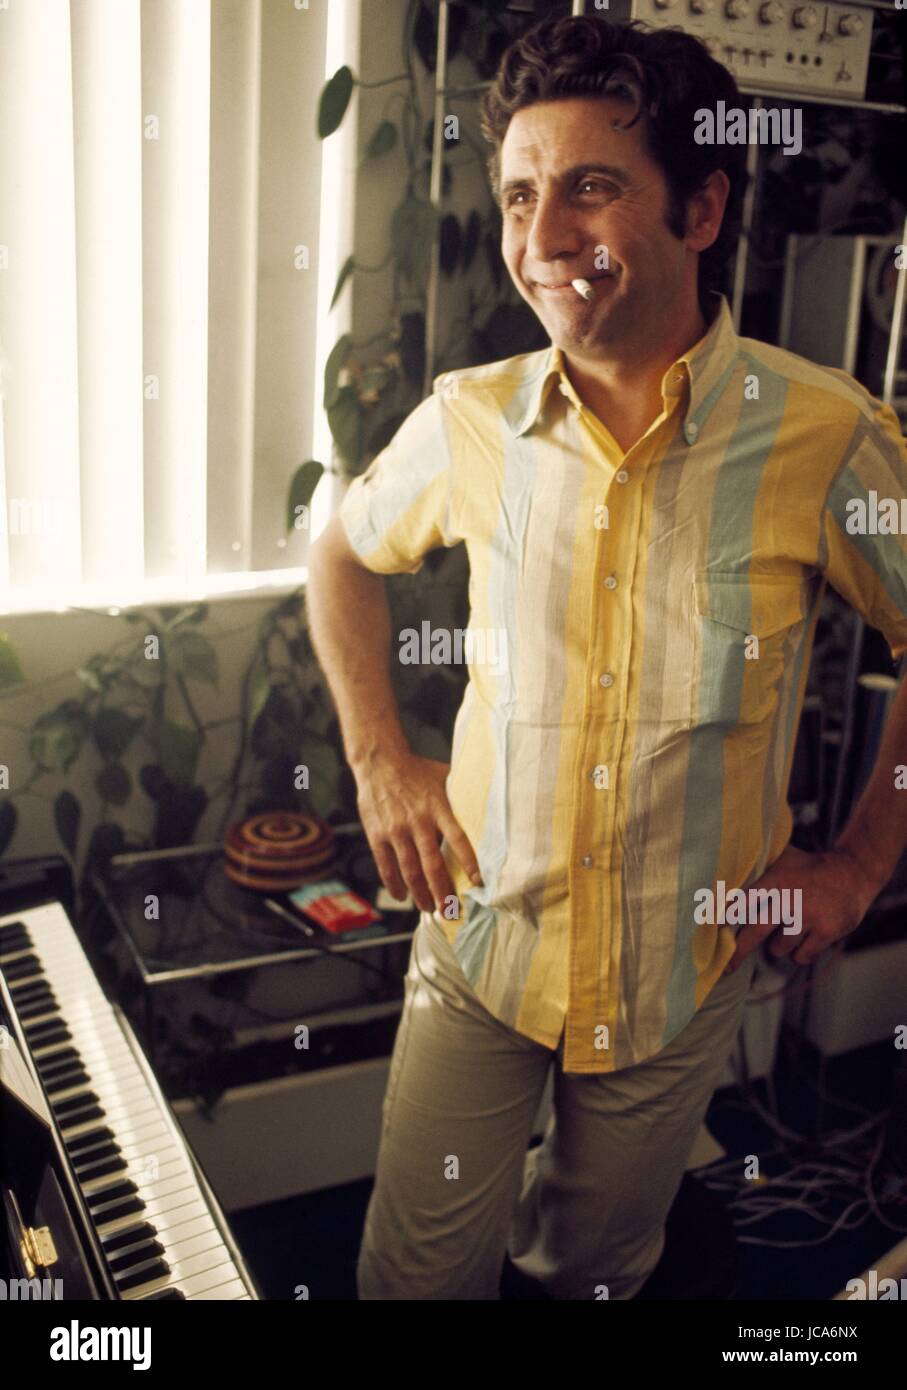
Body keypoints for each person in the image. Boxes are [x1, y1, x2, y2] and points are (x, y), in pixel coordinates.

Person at [306, 15, 907, 1300]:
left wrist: (858, 863)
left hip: (680, 975)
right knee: (413, 1280)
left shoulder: (828, 434)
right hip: (478, 943)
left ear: (700, 208)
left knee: (591, 1274)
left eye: (590, 187)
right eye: (521, 193)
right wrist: (379, 759)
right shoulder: (468, 421)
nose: (537, 239)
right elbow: (342, 555)